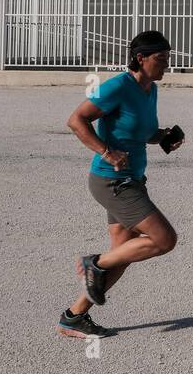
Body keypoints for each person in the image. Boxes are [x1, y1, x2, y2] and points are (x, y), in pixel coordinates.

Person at [58, 30, 185, 338]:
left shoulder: (150, 89)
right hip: (112, 181)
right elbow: (76, 120)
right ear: (140, 59)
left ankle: (73, 317)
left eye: (168, 58)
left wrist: (163, 137)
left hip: (132, 180)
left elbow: (141, 132)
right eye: (161, 59)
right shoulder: (117, 86)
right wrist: (106, 150)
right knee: (164, 239)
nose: (166, 64)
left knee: (125, 254)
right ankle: (94, 262)